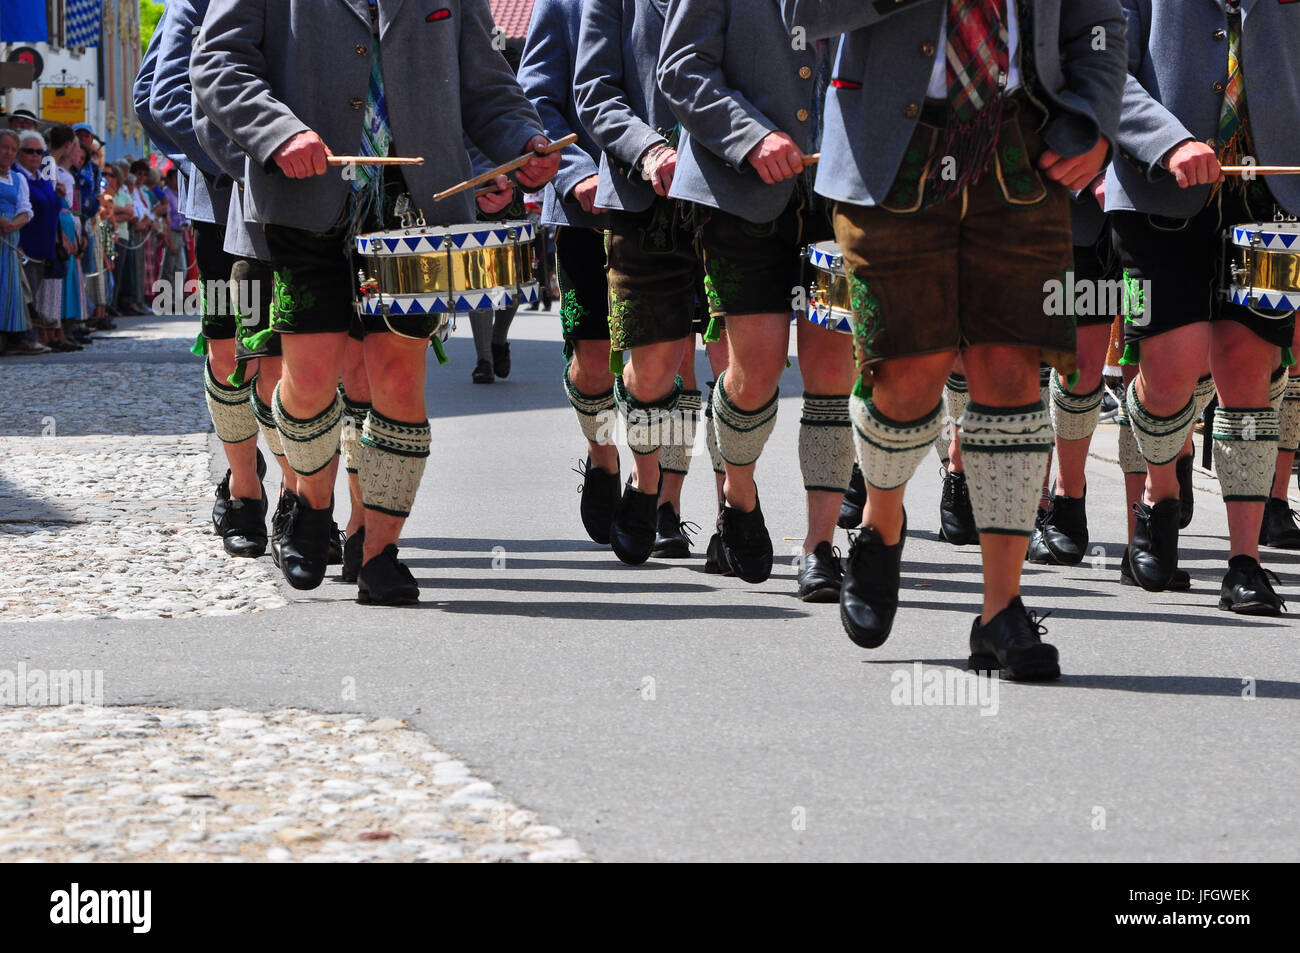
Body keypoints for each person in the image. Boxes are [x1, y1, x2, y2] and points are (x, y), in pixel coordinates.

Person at [782, 0, 1126, 679]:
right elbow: (807, 13)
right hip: (894, 150)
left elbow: (1102, 19)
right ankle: (881, 527)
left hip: (1022, 147)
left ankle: (1002, 609)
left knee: (1010, 373)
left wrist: (1095, 121)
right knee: (908, 375)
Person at [192, 0, 559, 604]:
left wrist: (523, 138)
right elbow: (217, 65)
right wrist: (279, 132)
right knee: (308, 381)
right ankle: (310, 505)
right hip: (306, 200)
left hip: (413, 208)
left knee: (397, 373)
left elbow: (484, 81)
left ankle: (381, 550)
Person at [658, 0, 856, 599]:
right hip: (739, 191)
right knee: (757, 370)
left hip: (843, 192)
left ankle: (819, 546)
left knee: (831, 371)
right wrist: (753, 136)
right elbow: (680, 69)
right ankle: (738, 495)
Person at [1108, 0, 1298, 615]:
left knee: (1248, 368)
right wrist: (1169, 141)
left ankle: (1245, 561)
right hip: (1155, 190)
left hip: (1272, 190)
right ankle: (1159, 498)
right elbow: (1106, 69)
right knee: (1169, 375)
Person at [15, 130, 78, 352]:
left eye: (39, 152)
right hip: (26, 246)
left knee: (35, 295)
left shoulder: (39, 178)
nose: (34, 156)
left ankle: (35, 336)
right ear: (18, 153)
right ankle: (26, 337)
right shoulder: (18, 176)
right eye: (28, 151)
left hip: (45, 247)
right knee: (26, 296)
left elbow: (53, 209)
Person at [0, 128, 46, 356]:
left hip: (9, 241)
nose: (7, 153)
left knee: (11, 290)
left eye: (12, 149)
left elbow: (26, 209)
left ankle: (11, 336)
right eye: (4, 147)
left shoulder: (17, 179)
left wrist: (12, 225)